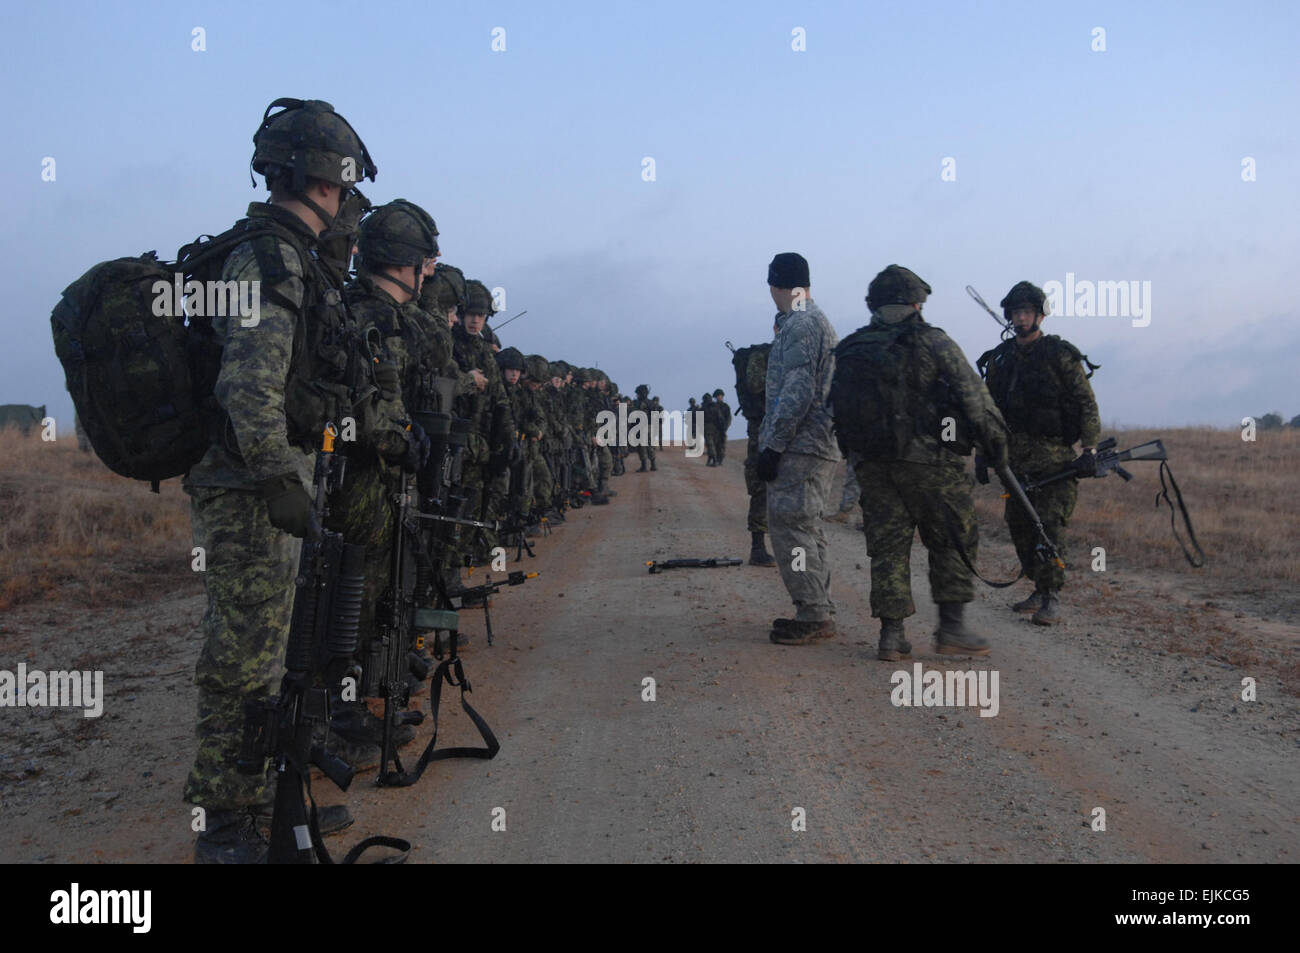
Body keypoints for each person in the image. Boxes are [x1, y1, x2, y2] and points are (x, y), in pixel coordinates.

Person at [183, 98, 378, 863]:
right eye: (341, 182)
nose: (343, 198)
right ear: (320, 177)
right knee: (241, 659)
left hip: (272, 482)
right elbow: (250, 387)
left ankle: (264, 802)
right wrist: (276, 476)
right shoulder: (269, 256)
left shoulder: (292, 254)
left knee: (273, 658)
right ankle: (221, 822)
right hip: (247, 490)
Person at [834, 265, 1009, 661]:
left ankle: (891, 635)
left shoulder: (850, 347)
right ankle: (951, 627)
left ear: (873, 305)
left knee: (888, 546)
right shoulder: (934, 342)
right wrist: (997, 446)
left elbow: (838, 408)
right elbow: (976, 401)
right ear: (916, 303)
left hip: (873, 465)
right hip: (930, 464)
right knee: (950, 537)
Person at [978, 281, 1100, 625]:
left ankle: (1051, 595)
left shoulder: (1060, 355)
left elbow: (1086, 403)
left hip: (1054, 458)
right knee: (1019, 526)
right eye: (1016, 313)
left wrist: (1088, 449)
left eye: (1027, 312)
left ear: (1040, 316)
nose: (1021, 318)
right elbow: (987, 411)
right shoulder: (1000, 360)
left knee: (1048, 527)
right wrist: (982, 453)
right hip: (1013, 461)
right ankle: (1036, 585)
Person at [756, 253, 840, 645]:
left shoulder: (803, 323)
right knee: (805, 526)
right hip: (812, 444)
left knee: (792, 527)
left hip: (801, 446)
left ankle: (812, 614)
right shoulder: (808, 320)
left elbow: (798, 389)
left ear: (778, 286)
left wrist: (773, 445)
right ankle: (816, 606)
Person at [734, 334, 776, 566]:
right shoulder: (763, 355)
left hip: (791, 424)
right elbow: (755, 384)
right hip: (763, 425)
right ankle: (758, 547)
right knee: (761, 484)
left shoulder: (795, 351)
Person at [631, 384, 657, 471]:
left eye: (638, 393)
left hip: (641, 426)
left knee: (642, 446)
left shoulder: (638, 403)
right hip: (649, 426)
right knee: (649, 445)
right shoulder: (651, 402)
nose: (637, 395)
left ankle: (644, 466)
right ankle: (653, 464)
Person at [710, 389, 732, 464]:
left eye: (719, 396)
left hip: (722, 428)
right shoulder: (713, 406)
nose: (718, 397)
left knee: (722, 444)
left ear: (722, 396)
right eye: (717, 396)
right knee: (715, 444)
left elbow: (729, 418)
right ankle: (716, 459)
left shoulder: (726, 407)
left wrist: (725, 427)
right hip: (714, 429)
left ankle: (720, 459)